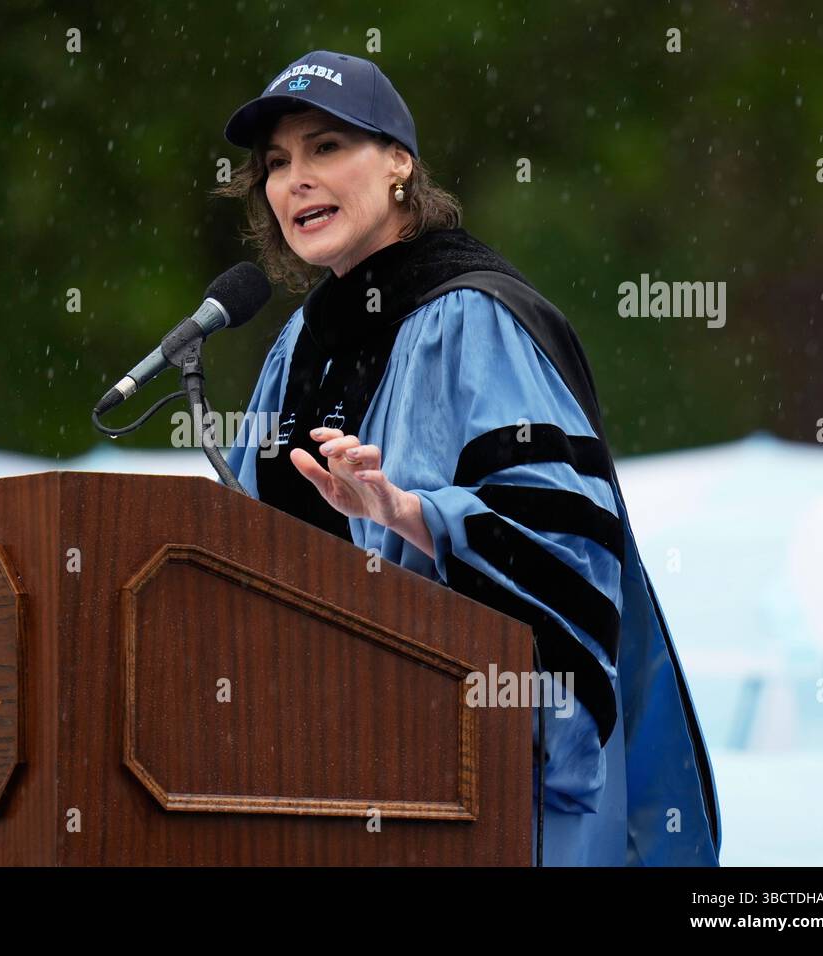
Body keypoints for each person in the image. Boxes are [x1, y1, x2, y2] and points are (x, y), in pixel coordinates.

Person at [215, 50, 720, 865]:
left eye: (326, 148)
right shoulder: (296, 350)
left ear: (399, 164)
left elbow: (567, 547)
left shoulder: (477, 319)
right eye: (276, 164)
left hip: (468, 788)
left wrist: (413, 515)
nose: (294, 180)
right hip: (308, 778)